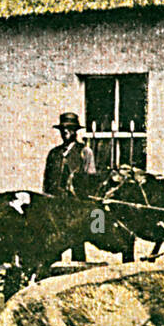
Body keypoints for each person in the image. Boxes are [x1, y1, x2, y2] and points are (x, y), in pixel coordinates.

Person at [43, 112, 97, 261]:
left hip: (74, 205)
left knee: (77, 243)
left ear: (75, 131)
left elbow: (90, 180)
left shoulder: (84, 152)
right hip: (54, 206)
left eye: (69, 128)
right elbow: (47, 182)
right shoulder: (54, 154)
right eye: (63, 129)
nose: (65, 132)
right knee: (53, 244)